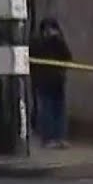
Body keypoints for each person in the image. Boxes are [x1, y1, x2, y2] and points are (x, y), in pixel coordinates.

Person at [30, 17, 71, 148]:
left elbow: (67, 56)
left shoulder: (58, 42)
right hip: (44, 81)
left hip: (57, 81)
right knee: (46, 109)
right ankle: (48, 138)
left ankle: (60, 137)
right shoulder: (37, 43)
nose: (50, 32)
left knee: (59, 109)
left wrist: (57, 41)